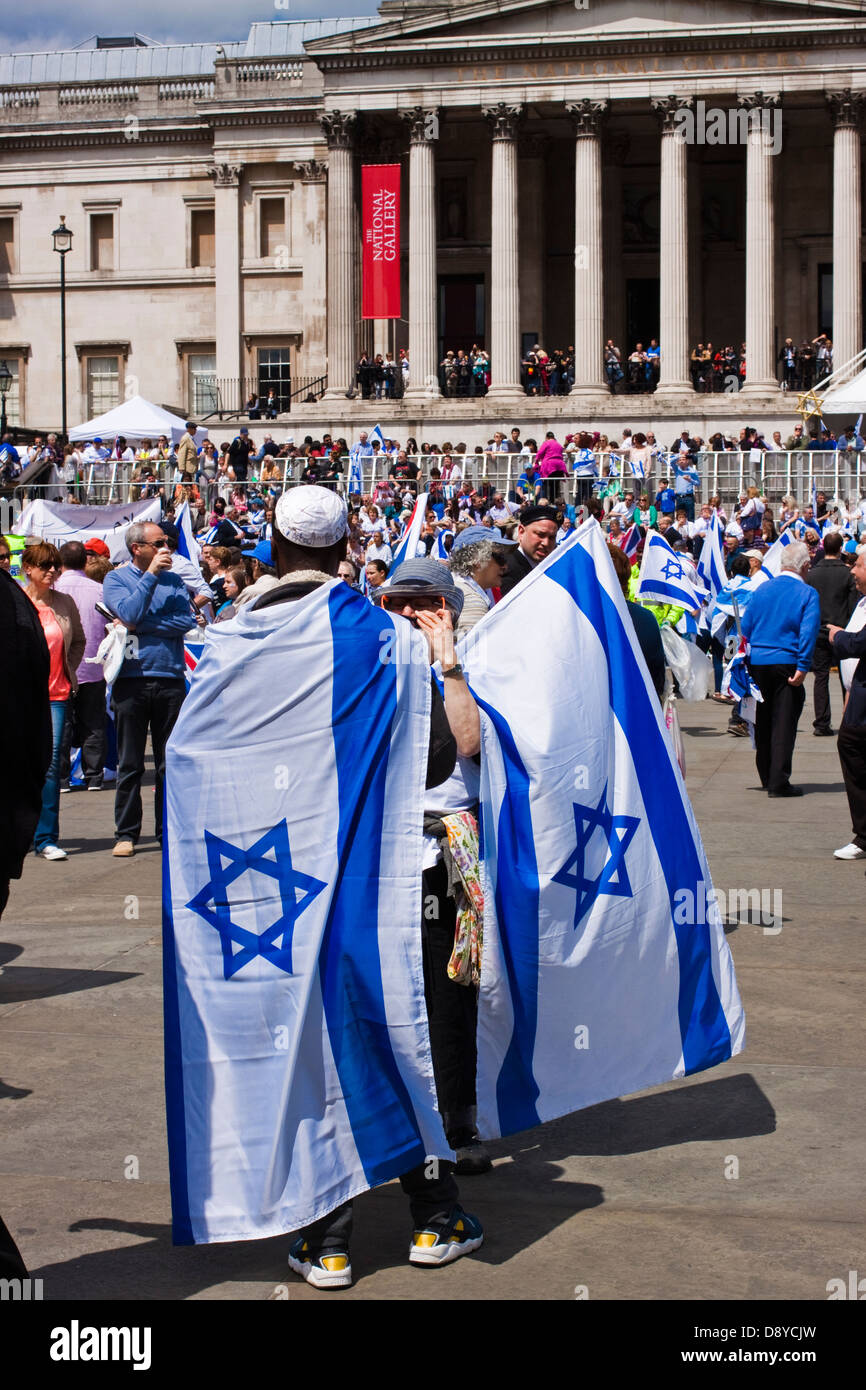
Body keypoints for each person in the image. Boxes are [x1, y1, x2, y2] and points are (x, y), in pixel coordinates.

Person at [241, 490, 484, 1288]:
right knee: (391, 1033)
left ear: (274, 547)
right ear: (348, 544)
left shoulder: (238, 636)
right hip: (389, 877)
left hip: (278, 884)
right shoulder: (391, 640)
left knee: (312, 1048)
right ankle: (431, 1213)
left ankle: (331, 1233)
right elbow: (442, 761)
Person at [102, 522, 194, 857]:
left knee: (170, 762)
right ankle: (126, 833)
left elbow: (185, 620)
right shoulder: (116, 579)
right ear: (137, 547)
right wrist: (151, 576)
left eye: (168, 542)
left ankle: (166, 830)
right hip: (132, 679)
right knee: (131, 763)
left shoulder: (175, 581)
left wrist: (142, 625)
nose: (166, 548)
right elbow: (126, 611)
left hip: (169, 677)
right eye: (159, 543)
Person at [741, 541, 821, 797]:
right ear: (805, 566)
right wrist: (803, 665)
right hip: (786, 663)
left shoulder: (763, 589)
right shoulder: (807, 594)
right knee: (784, 723)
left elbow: (747, 625)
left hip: (759, 662)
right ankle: (778, 781)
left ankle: (765, 774)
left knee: (763, 721)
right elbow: (808, 633)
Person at [21, 542, 86, 860]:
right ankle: (19, 831)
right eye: (45, 565)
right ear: (28, 568)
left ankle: (45, 837)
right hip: (20, 695)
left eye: (55, 566)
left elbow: (80, 640)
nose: (51, 571)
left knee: (49, 765)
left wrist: (69, 670)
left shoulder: (65, 603)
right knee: (18, 764)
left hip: (56, 694)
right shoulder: (17, 602)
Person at [55, 541, 108, 793]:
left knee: (62, 724)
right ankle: (94, 776)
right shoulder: (99, 590)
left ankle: (63, 778)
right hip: (92, 666)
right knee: (93, 722)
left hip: (61, 669)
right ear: (85, 562)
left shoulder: (53, 589)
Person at [827, 549, 866, 861]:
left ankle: (864, 836)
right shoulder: (862, 599)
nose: (853, 571)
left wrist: (838, 637)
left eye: (859, 565)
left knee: (851, 746)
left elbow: (859, 643)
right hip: (858, 697)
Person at [806, 530, 859, 737]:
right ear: (839, 549)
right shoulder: (847, 573)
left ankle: (821, 722)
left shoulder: (812, 574)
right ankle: (849, 719)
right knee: (848, 678)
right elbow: (853, 605)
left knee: (821, 677)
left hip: (819, 631)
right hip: (842, 631)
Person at [448, 526, 516, 636]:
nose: (505, 566)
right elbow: (473, 652)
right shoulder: (472, 601)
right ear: (476, 558)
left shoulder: (455, 587)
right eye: (500, 558)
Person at [499, 504, 559, 596]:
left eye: (551, 537)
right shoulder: (507, 569)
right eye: (540, 534)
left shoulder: (549, 568)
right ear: (521, 531)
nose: (546, 543)